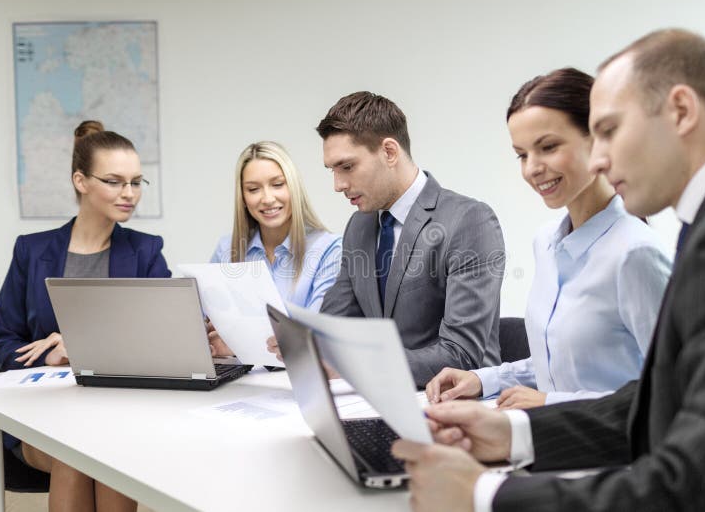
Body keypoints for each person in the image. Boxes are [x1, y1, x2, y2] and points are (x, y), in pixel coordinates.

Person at [392, 29, 705, 512]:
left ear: (681, 111)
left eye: (609, 130)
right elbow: (661, 398)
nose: (600, 157)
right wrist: (515, 431)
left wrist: (486, 493)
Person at [424, 68, 672, 410]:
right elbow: (557, 364)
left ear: (597, 139)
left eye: (548, 147)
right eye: (522, 154)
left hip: (615, 453)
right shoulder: (547, 242)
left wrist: (550, 403)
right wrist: (484, 379)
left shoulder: (636, 253)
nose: (532, 168)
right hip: (550, 442)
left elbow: (669, 392)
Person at [266, 91, 505, 387]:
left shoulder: (469, 221)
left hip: (457, 404)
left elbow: (461, 355)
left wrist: (353, 365)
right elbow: (334, 326)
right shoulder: (360, 226)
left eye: (347, 167)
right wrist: (300, 341)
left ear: (389, 152)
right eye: (333, 170)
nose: (338, 185)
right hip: (380, 398)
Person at [0, 120, 171, 512]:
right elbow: (3, 342)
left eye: (136, 182)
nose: (129, 193)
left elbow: (166, 342)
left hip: (117, 415)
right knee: (76, 450)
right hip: (42, 415)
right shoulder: (31, 251)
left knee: (103, 451)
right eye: (114, 181)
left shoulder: (146, 253)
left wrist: (86, 347)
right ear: (81, 181)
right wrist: (50, 355)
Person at [207, 141, 341, 357]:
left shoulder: (329, 249)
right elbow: (207, 326)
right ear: (243, 198)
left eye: (277, 184)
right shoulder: (226, 249)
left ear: (293, 188)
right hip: (238, 383)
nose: (267, 199)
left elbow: (315, 334)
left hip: (298, 379)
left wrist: (237, 342)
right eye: (253, 189)